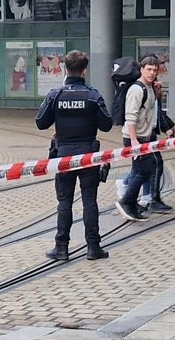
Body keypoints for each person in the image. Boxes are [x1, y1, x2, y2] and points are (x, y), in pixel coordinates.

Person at [35, 49, 115, 262]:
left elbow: (41, 122)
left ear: (65, 69)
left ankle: (61, 248)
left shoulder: (56, 95)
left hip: (63, 157)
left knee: (65, 202)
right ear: (84, 71)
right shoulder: (93, 95)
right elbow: (107, 125)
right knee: (90, 201)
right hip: (88, 155)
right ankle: (93, 247)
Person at [120, 56, 174, 216]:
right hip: (136, 138)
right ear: (141, 69)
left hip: (145, 137)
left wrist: (158, 93)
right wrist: (134, 140)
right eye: (148, 69)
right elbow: (130, 116)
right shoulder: (137, 89)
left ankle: (131, 202)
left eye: (155, 70)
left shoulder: (149, 88)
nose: (151, 73)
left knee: (140, 171)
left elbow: (152, 111)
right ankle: (127, 200)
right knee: (145, 169)